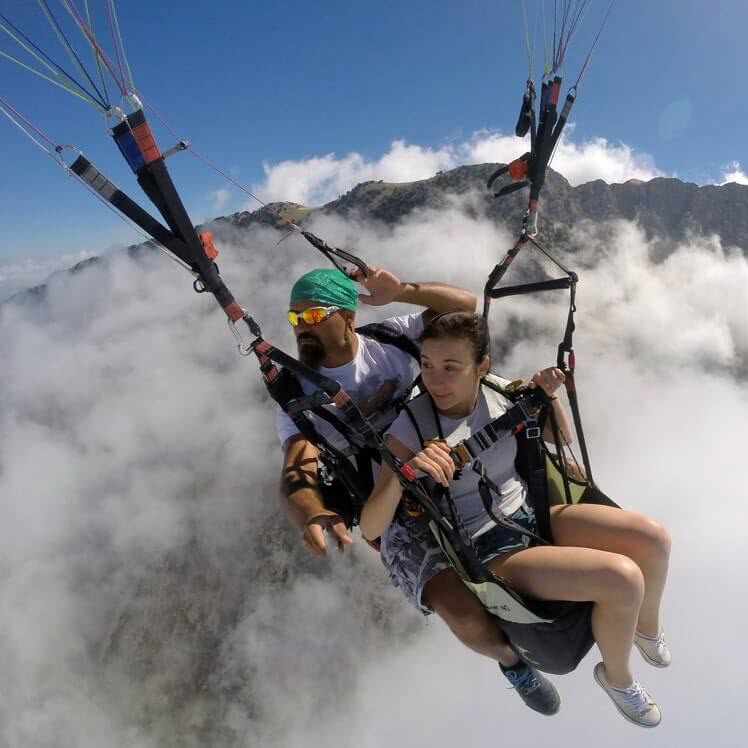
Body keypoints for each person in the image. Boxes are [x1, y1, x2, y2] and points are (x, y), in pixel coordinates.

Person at [360, 312, 672, 727]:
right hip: (492, 549)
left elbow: (559, 439)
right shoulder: (410, 427)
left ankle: (643, 629)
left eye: (451, 368)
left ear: (481, 366)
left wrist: (548, 396)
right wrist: (405, 472)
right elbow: (371, 527)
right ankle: (617, 677)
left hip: (532, 513)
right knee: (623, 578)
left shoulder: (498, 391)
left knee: (653, 539)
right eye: (428, 365)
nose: (435, 380)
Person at [277, 269, 561, 715]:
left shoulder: (390, 339)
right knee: (460, 610)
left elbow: (462, 310)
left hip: (453, 456)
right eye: (295, 319)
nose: (303, 328)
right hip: (392, 505)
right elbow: (297, 466)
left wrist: (402, 293)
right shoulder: (301, 395)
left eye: (314, 314)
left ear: (348, 317)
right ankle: (512, 663)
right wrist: (311, 513)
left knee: (539, 505)